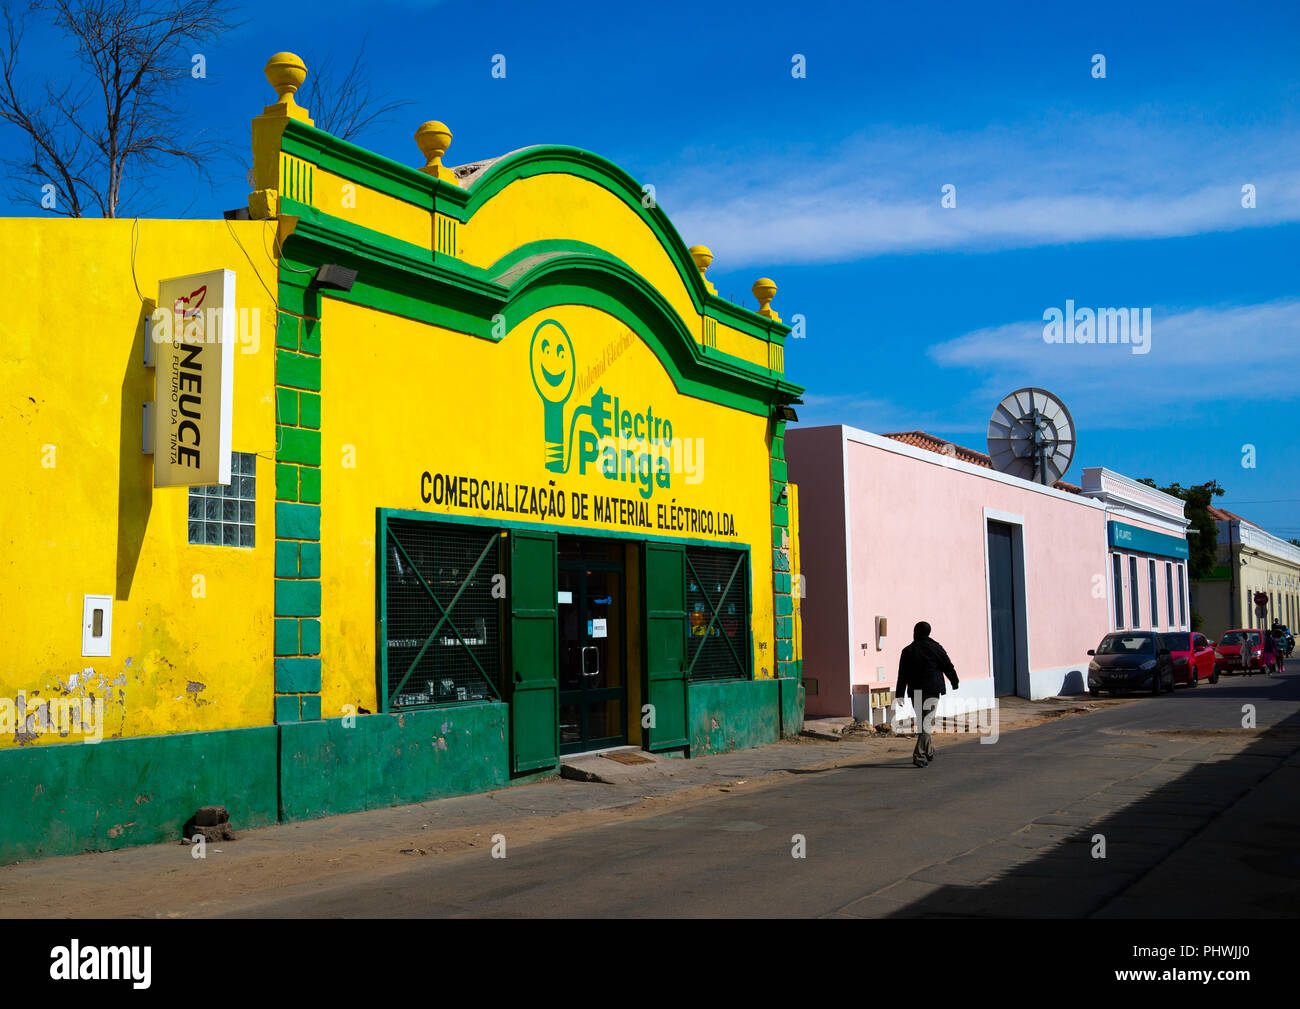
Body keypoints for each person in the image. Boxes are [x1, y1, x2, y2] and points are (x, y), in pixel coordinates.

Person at [895, 620, 960, 767]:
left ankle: (929, 751)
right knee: (926, 722)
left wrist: (899, 694)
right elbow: (947, 666)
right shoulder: (936, 648)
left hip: (915, 691)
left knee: (923, 722)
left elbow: (902, 675)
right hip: (932, 690)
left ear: (915, 632)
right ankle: (919, 754)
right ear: (929, 633)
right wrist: (954, 681)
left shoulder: (907, 651)